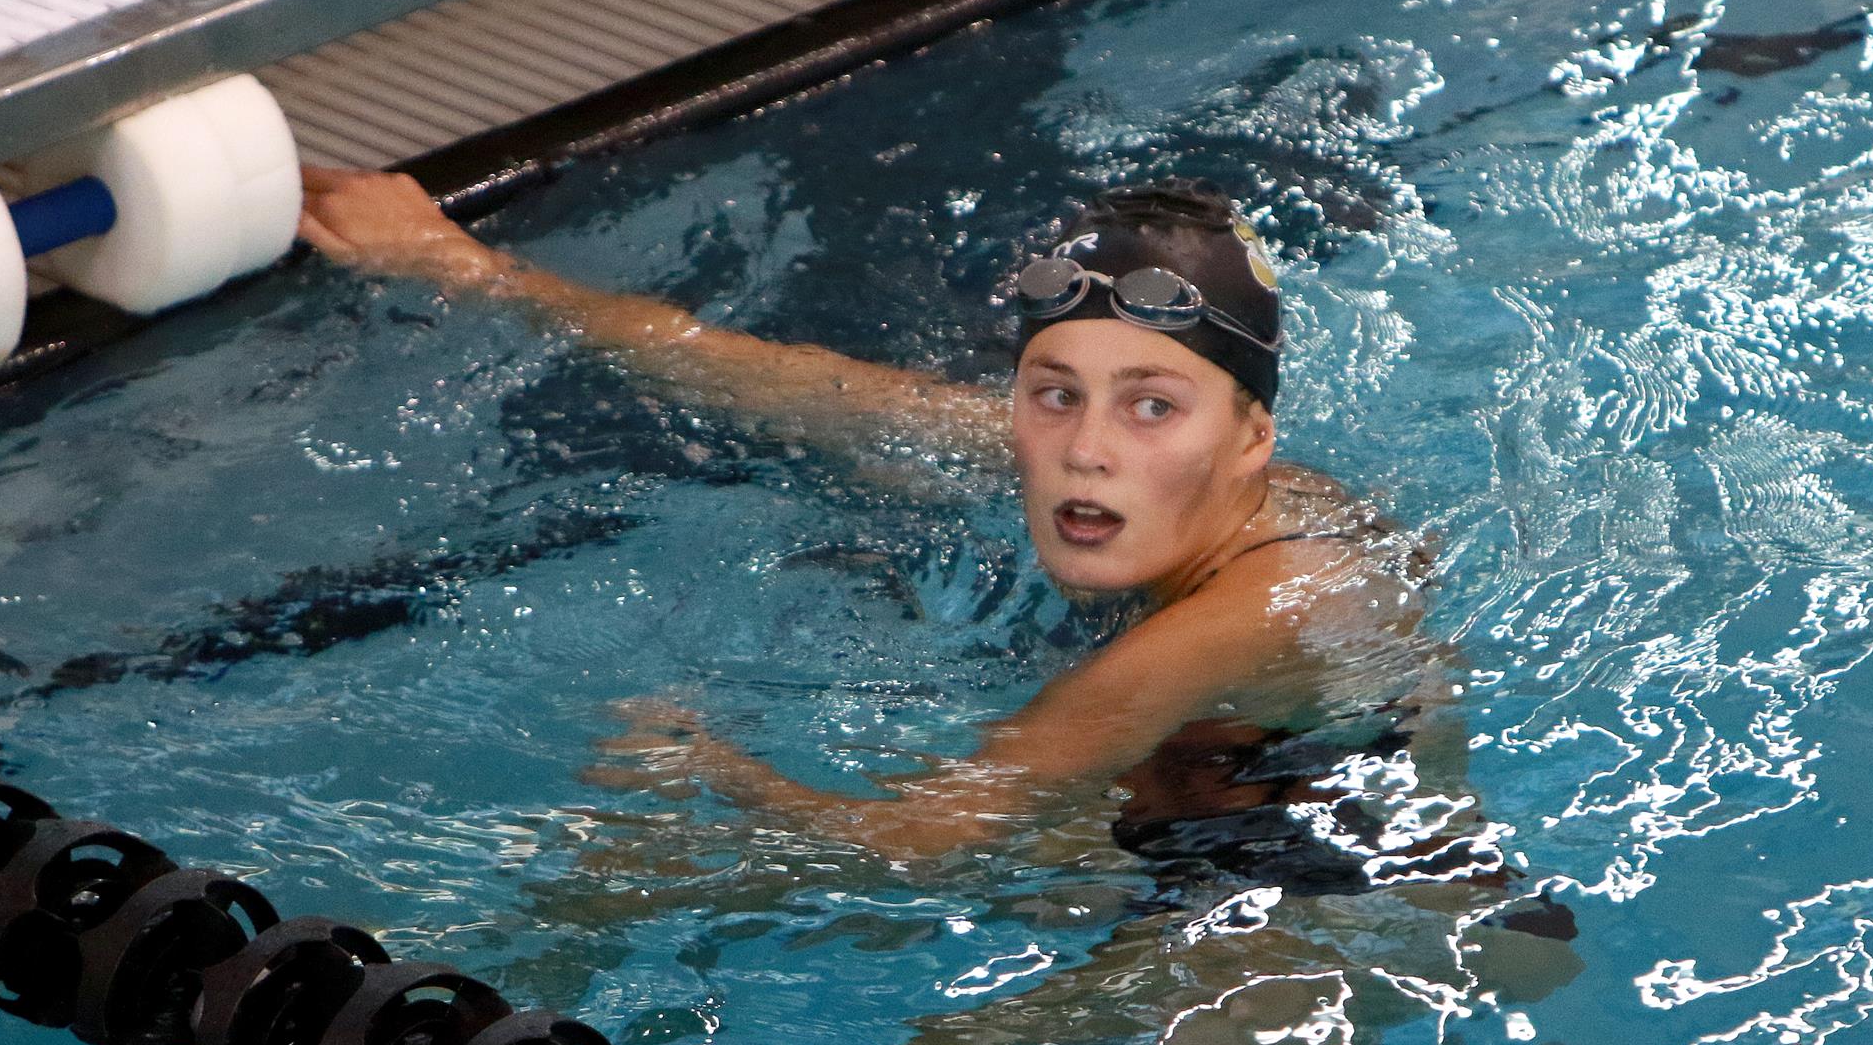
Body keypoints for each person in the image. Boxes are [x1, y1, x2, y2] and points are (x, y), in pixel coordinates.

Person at [299, 166, 1506, 890]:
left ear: (1250, 440)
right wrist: (465, 266)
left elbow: (925, 841)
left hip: (1311, 885)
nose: (1087, 446)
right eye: (1054, 393)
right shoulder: (1106, 462)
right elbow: (772, 380)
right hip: (1174, 797)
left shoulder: (1263, 602)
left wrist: (720, 775)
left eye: (1150, 406)